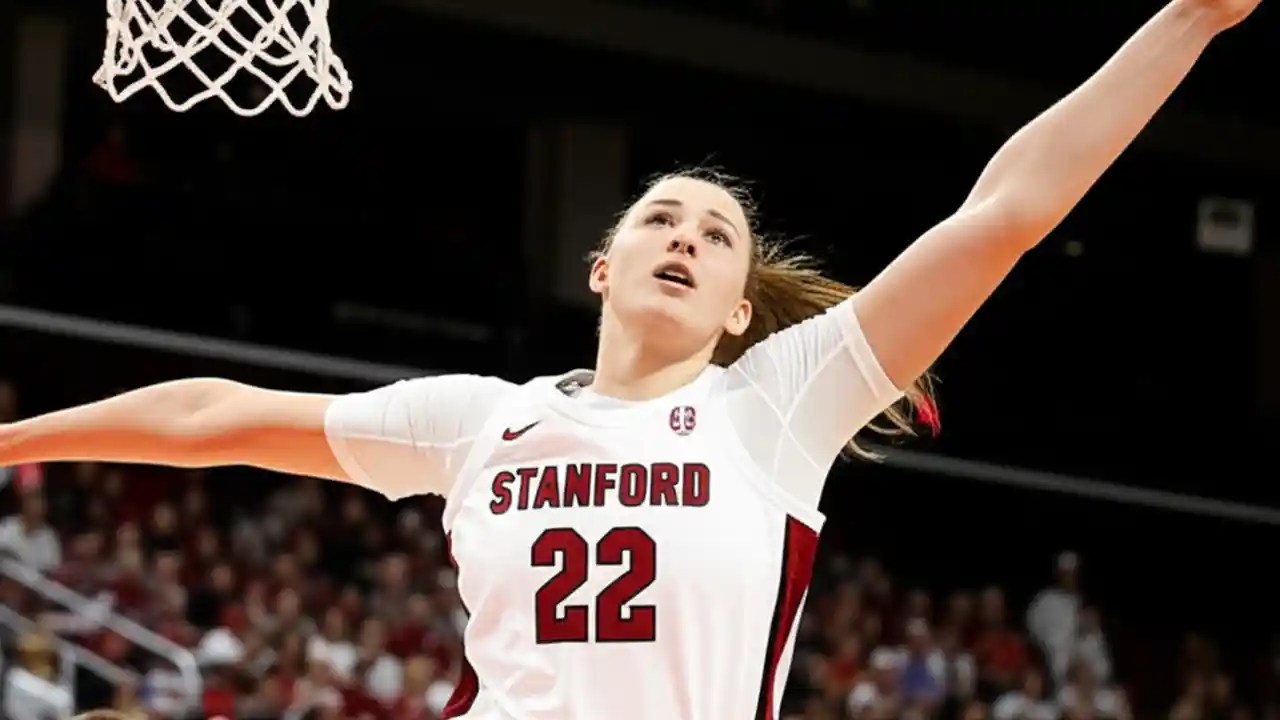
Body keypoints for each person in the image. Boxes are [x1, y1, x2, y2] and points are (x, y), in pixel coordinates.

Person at [0, 1, 1262, 717]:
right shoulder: (474, 419)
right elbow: (212, 413)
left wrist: (1190, 19)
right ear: (600, 266)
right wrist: (13, 441)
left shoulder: (776, 402)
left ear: (730, 310)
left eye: (716, 235)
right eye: (659, 216)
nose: (685, 236)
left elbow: (1004, 212)